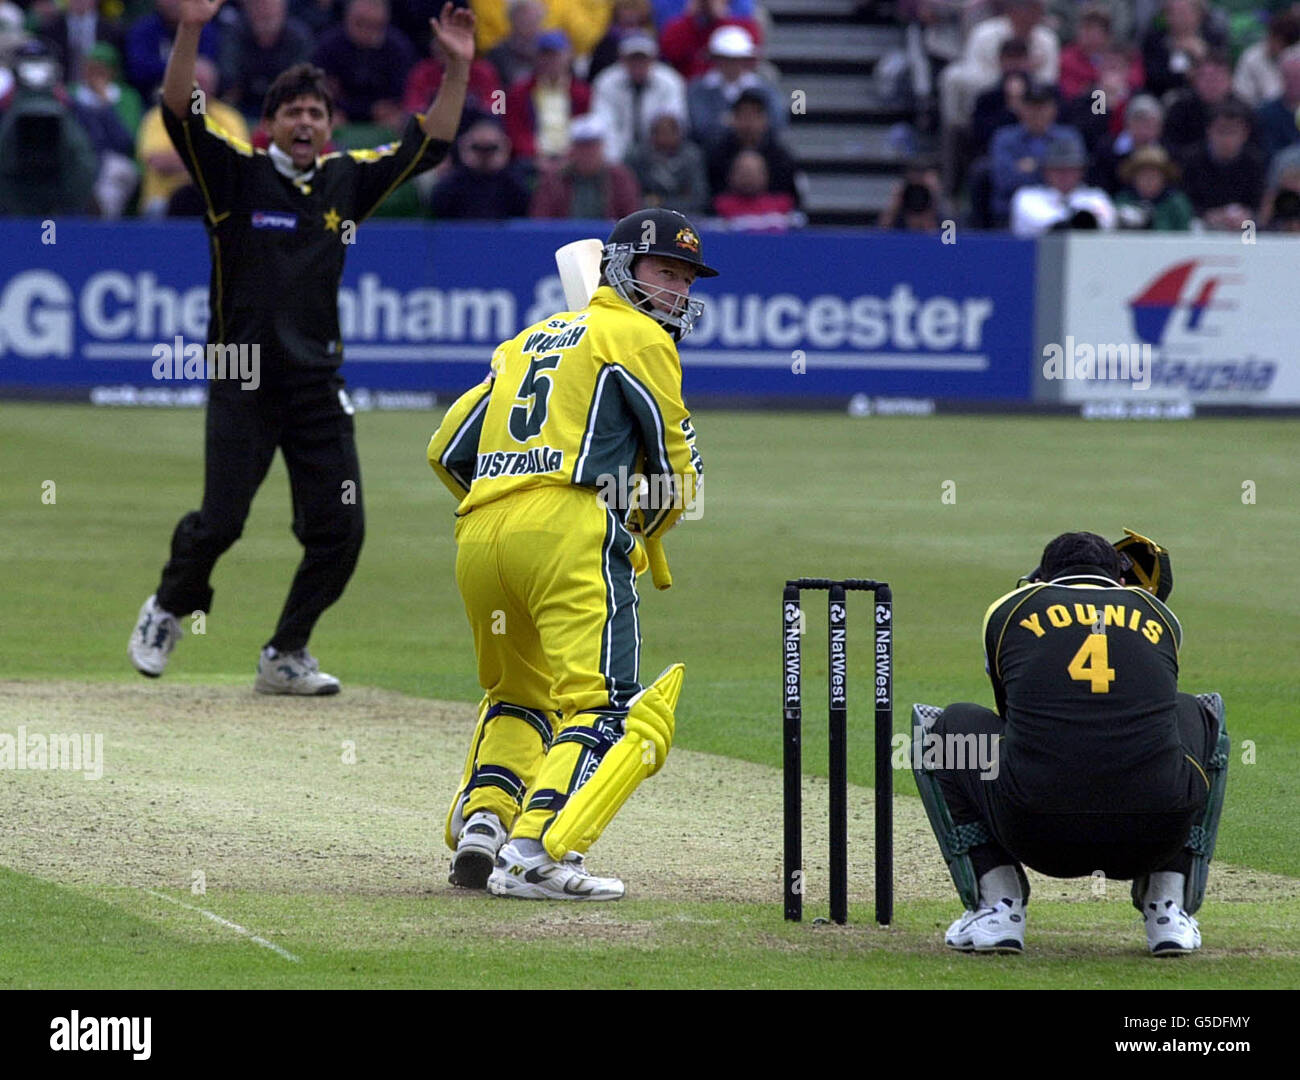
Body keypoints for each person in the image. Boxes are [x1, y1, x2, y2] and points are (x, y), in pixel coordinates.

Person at [127, 0, 475, 693]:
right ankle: (169, 605)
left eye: (317, 112)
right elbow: (178, 109)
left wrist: (458, 68)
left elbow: (427, 145)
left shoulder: (348, 178)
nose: (306, 122)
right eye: (293, 112)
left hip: (316, 380)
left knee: (341, 529)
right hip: (241, 374)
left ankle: (285, 653)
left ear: (331, 124)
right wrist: (192, 27)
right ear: (271, 125)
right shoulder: (234, 174)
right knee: (220, 521)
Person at [426, 207, 714, 899]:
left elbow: (444, 450)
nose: (676, 289)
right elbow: (681, 480)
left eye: (684, 278)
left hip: (480, 531)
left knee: (517, 694)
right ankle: (538, 851)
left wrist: (510, 495)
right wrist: (638, 528)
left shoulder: (523, 341)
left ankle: (485, 825)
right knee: (603, 703)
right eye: (663, 271)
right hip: (569, 528)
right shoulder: (641, 339)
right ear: (620, 269)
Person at [913, 530, 1226, 955]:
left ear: (1044, 577)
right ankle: (1168, 911)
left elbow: (1011, 717)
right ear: (1119, 578)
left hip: (1034, 831)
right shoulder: (1159, 614)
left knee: (948, 727)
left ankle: (998, 907)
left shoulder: (1009, 609)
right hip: (1154, 832)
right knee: (1195, 711)